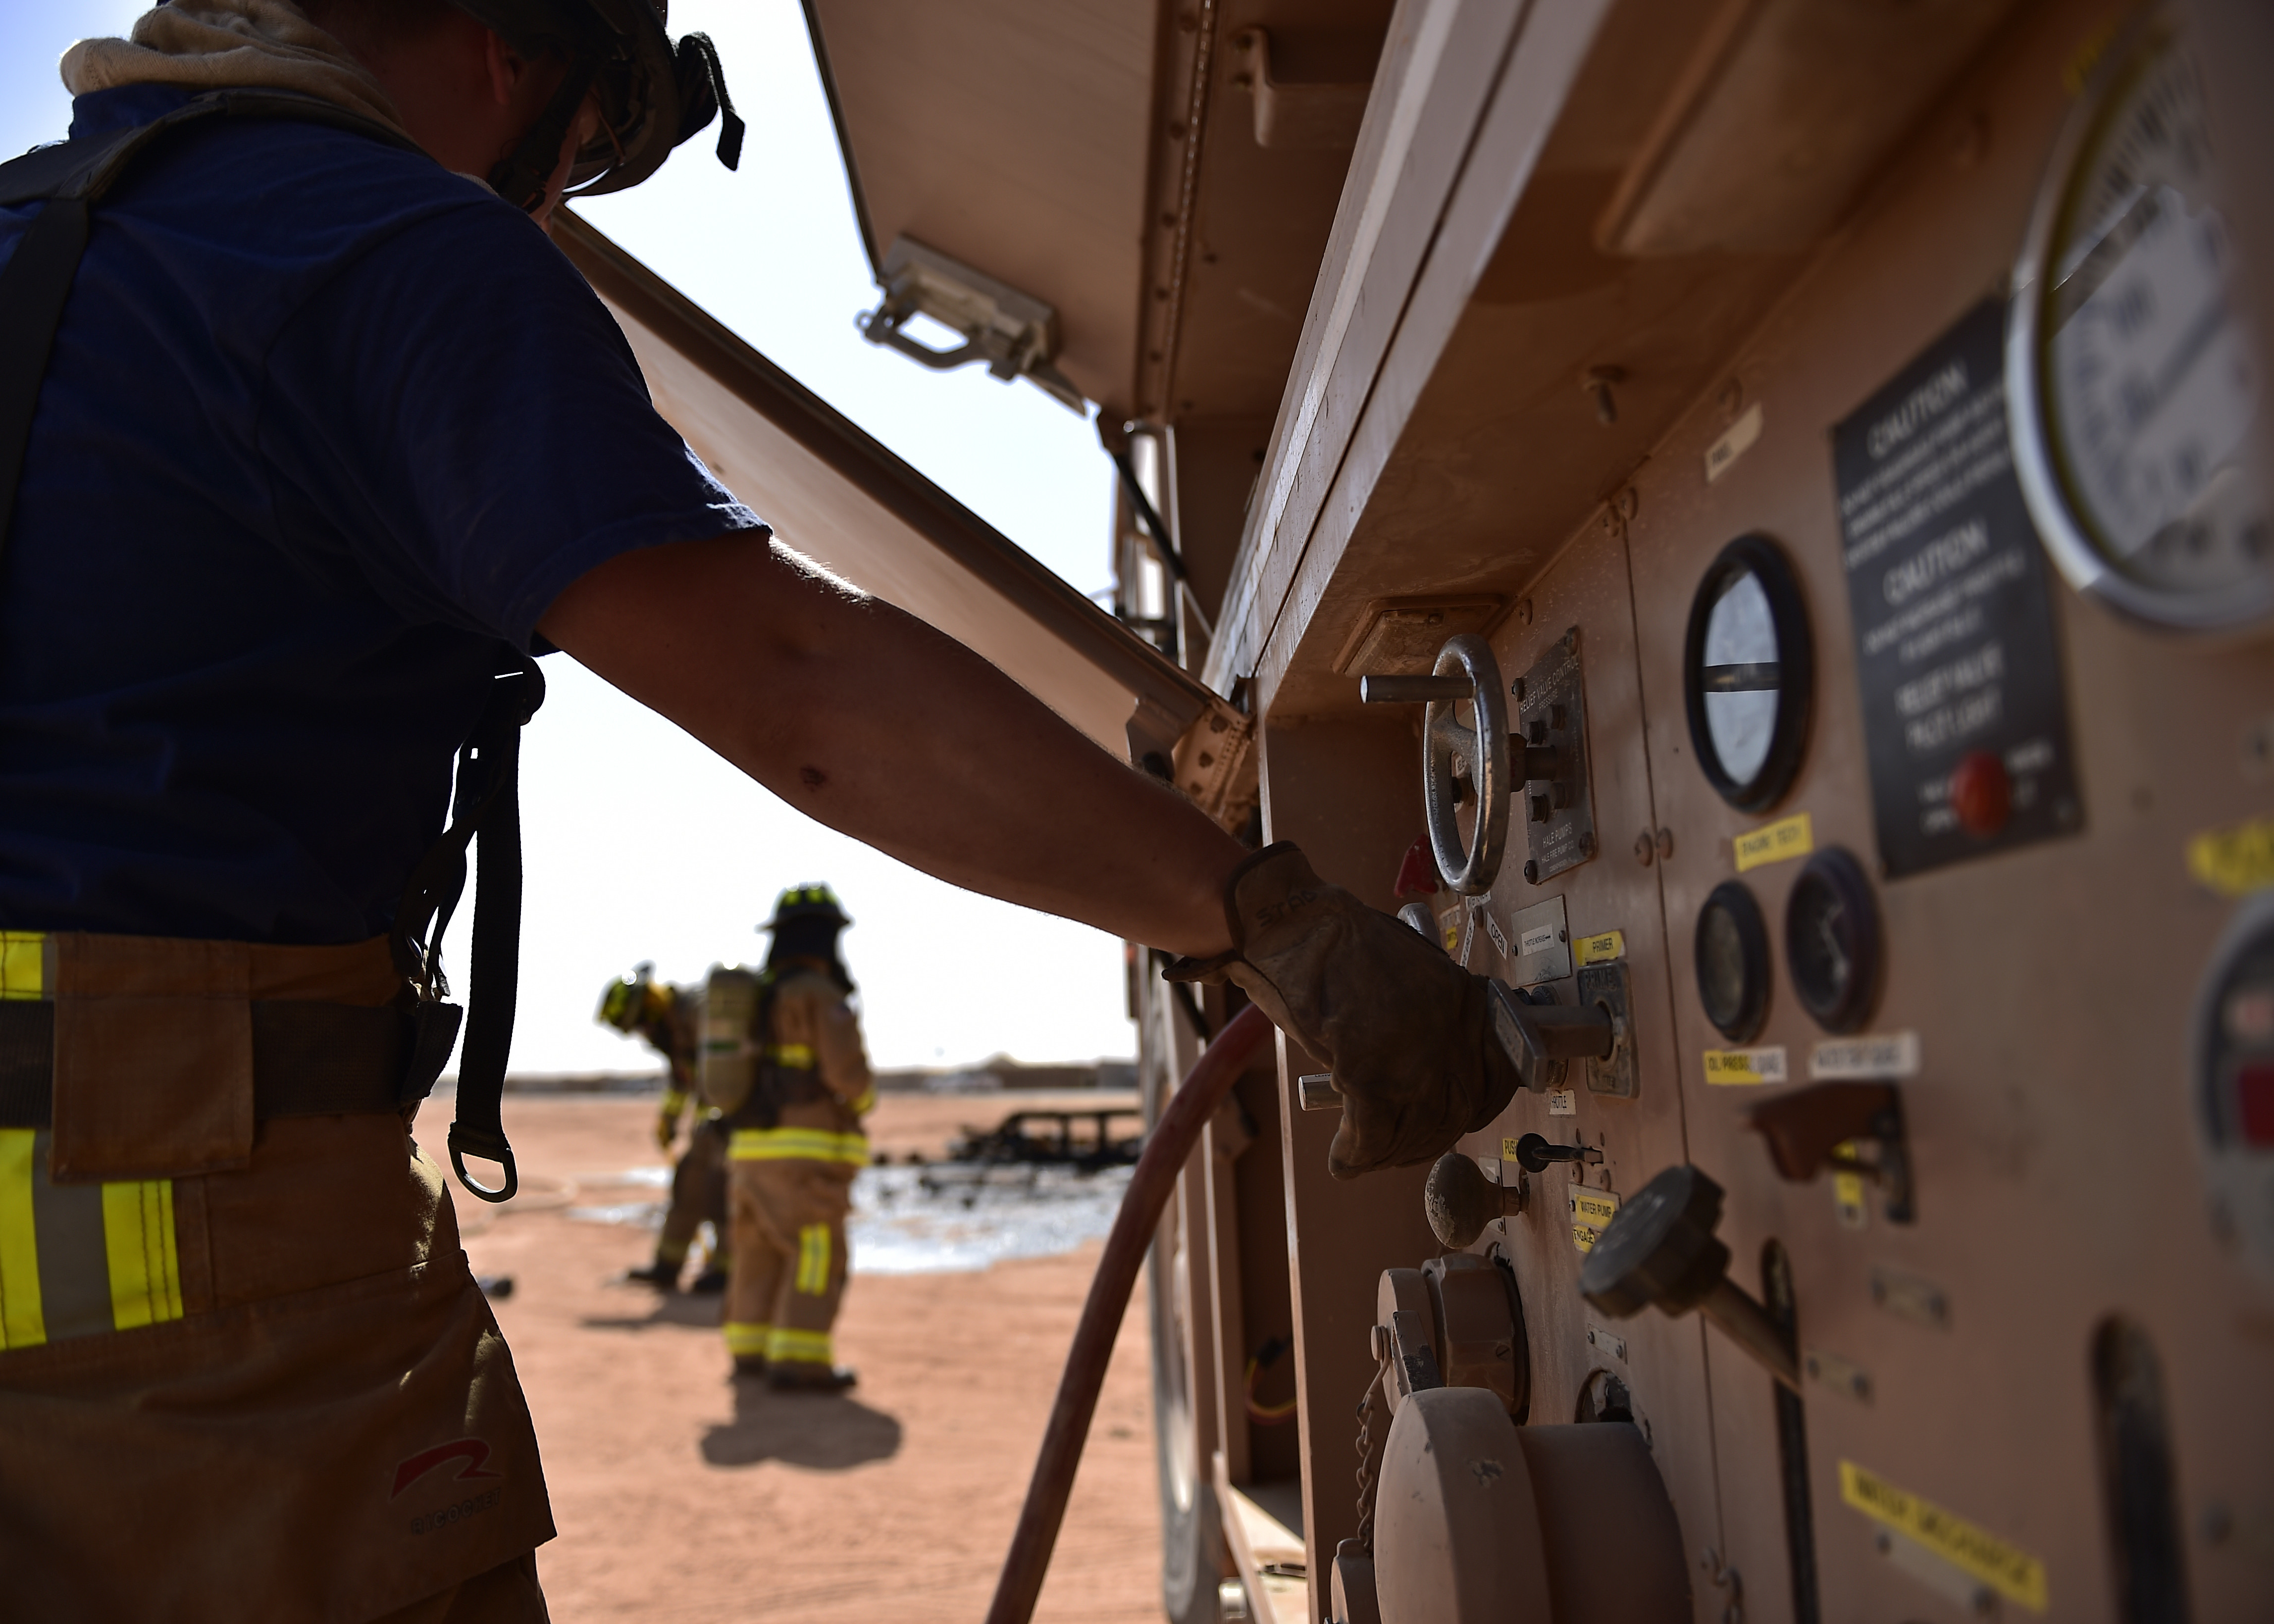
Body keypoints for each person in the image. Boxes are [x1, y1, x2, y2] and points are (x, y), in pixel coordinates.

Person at [0, 0, 1514, 1613]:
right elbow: (800, 685)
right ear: (513, 50)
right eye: (577, 161)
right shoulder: (374, 238)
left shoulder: (47, 237)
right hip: (178, 1285)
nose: (548, 211)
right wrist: (1269, 921)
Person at [711, 885, 873, 1392]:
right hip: (805, 1158)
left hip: (748, 1152)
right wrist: (864, 1102)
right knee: (816, 1250)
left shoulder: (758, 996)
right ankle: (800, 1361)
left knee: (757, 1251)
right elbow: (850, 1077)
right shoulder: (819, 996)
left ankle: (749, 1353)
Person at [596, 963, 727, 1292]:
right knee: (689, 1184)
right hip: (712, 1123)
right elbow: (683, 1081)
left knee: (721, 1191)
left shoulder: (699, 1013)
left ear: (651, 1008)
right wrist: (668, 1121)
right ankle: (667, 1267)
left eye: (640, 1025)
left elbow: (726, 1072)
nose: (644, 1035)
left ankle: (728, 1270)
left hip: (734, 1120)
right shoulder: (675, 1030)